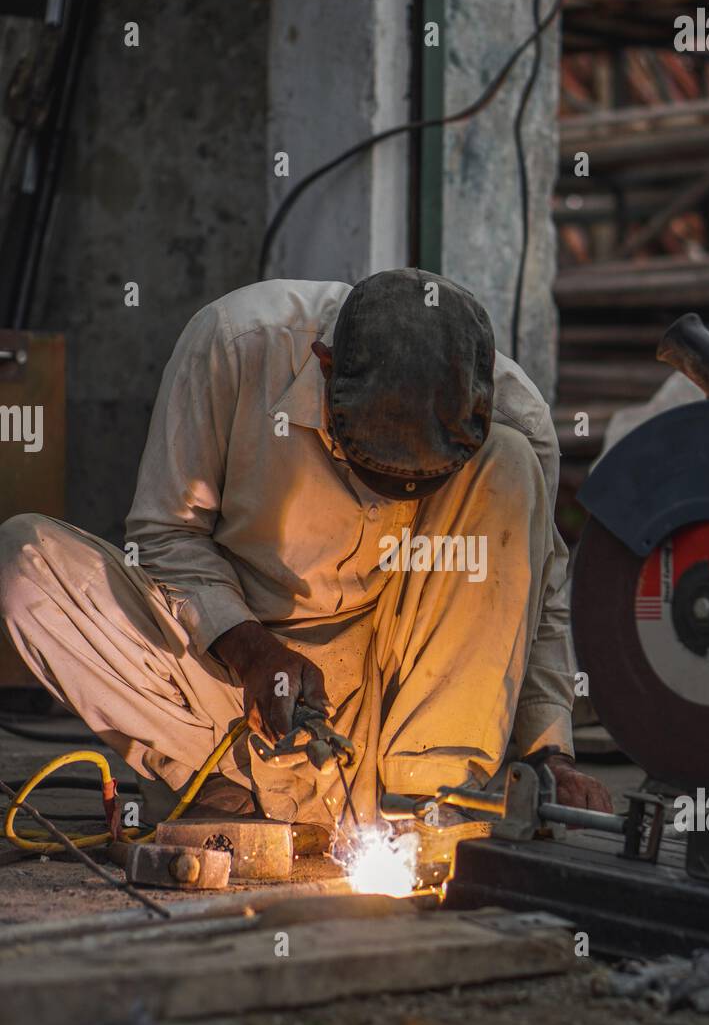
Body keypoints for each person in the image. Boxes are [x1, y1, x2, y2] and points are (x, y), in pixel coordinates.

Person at [0, 268, 612, 829]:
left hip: (389, 704)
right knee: (24, 561)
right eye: (368, 465)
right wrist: (252, 651)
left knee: (510, 465)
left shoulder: (511, 413)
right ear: (324, 365)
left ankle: (425, 801)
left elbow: (538, 592)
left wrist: (549, 754)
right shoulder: (235, 344)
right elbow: (165, 537)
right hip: (226, 686)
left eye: (417, 481)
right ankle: (217, 781)